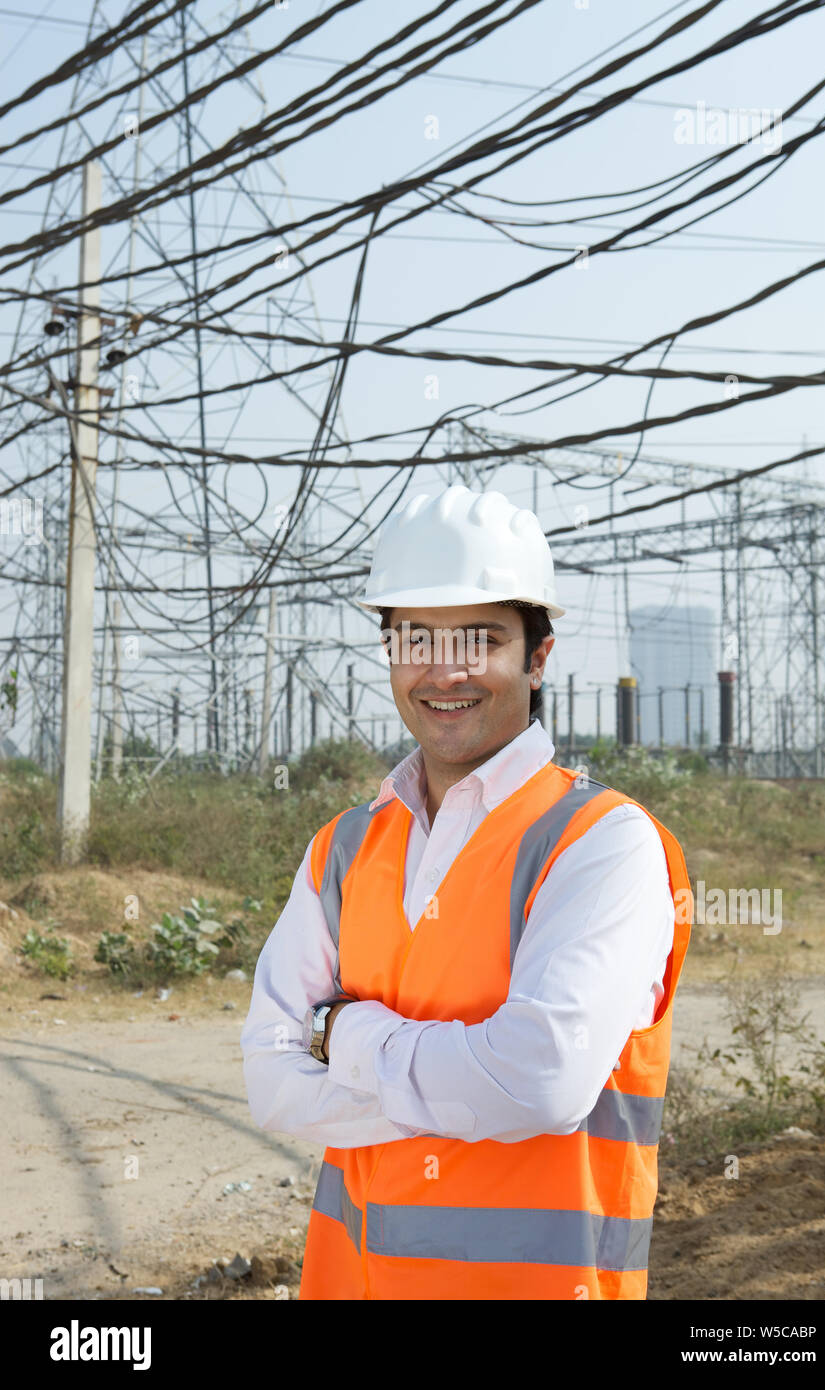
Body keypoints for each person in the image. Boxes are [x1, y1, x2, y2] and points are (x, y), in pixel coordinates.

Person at [241, 483, 691, 1300]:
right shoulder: (344, 849)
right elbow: (270, 1082)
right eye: (415, 638)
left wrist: (340, 1036)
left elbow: (541, 1081)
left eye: (479, 639)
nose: (444, 672)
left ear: (538, 656)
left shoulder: (601, 843)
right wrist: (466, 1084)